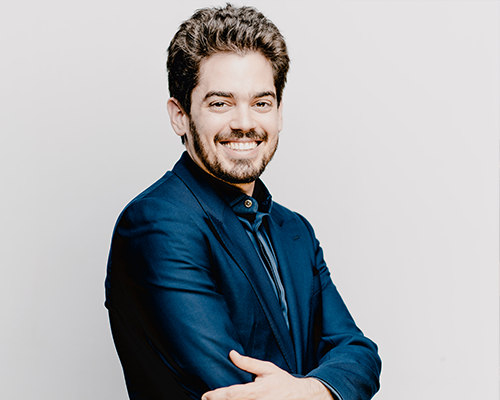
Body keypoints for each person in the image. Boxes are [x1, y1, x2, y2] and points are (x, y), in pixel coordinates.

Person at [105, 4, 381, 400]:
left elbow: (359, 353)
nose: (245, 122)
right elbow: (233, 390)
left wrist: (310, 391)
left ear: (279, 113)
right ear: (180, 115)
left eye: (261, 103)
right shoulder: (156, 224)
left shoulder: (294, 229)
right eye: (220, 103)